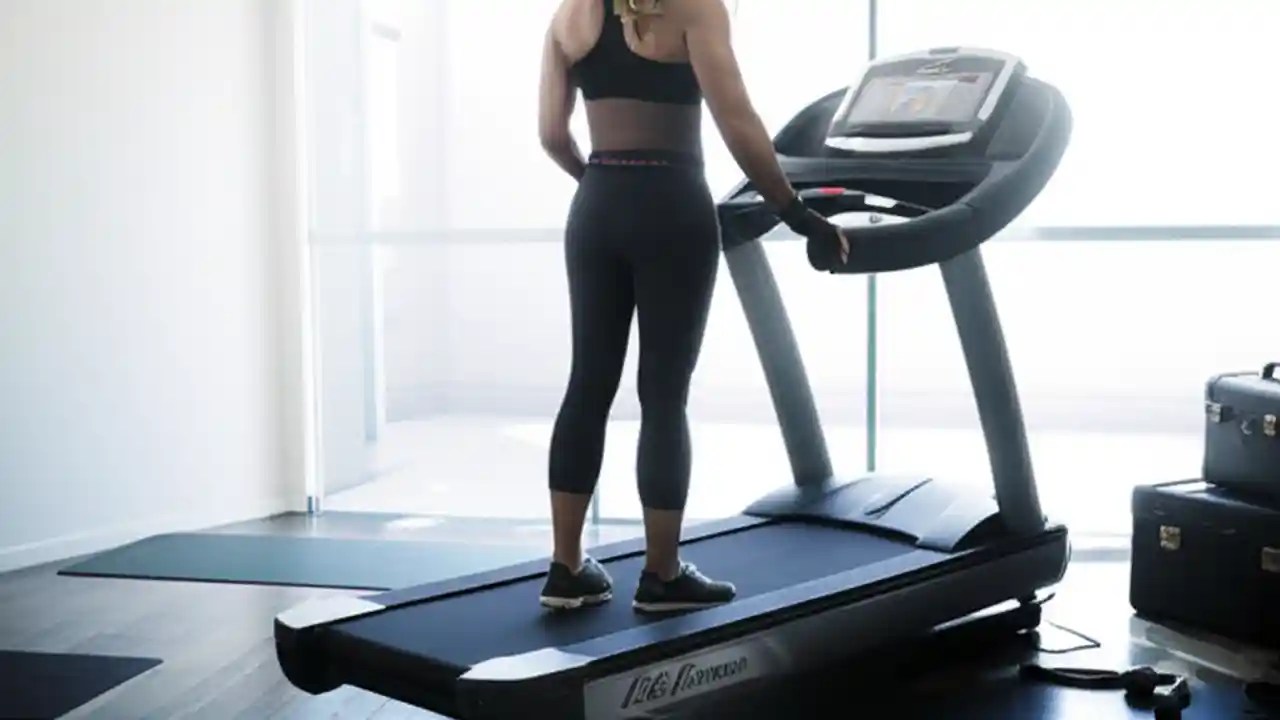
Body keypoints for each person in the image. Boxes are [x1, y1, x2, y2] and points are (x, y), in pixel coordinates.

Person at [536, 0, 850, 614]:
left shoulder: (567, 16)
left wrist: (602, 188)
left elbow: (551, 134)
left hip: (596, 204)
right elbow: (737, 121)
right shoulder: (696, 7)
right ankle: (661, 574)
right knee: (663, 394)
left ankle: (567, 569)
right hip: (673, 201)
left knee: (587, 386)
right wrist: (799, 215)